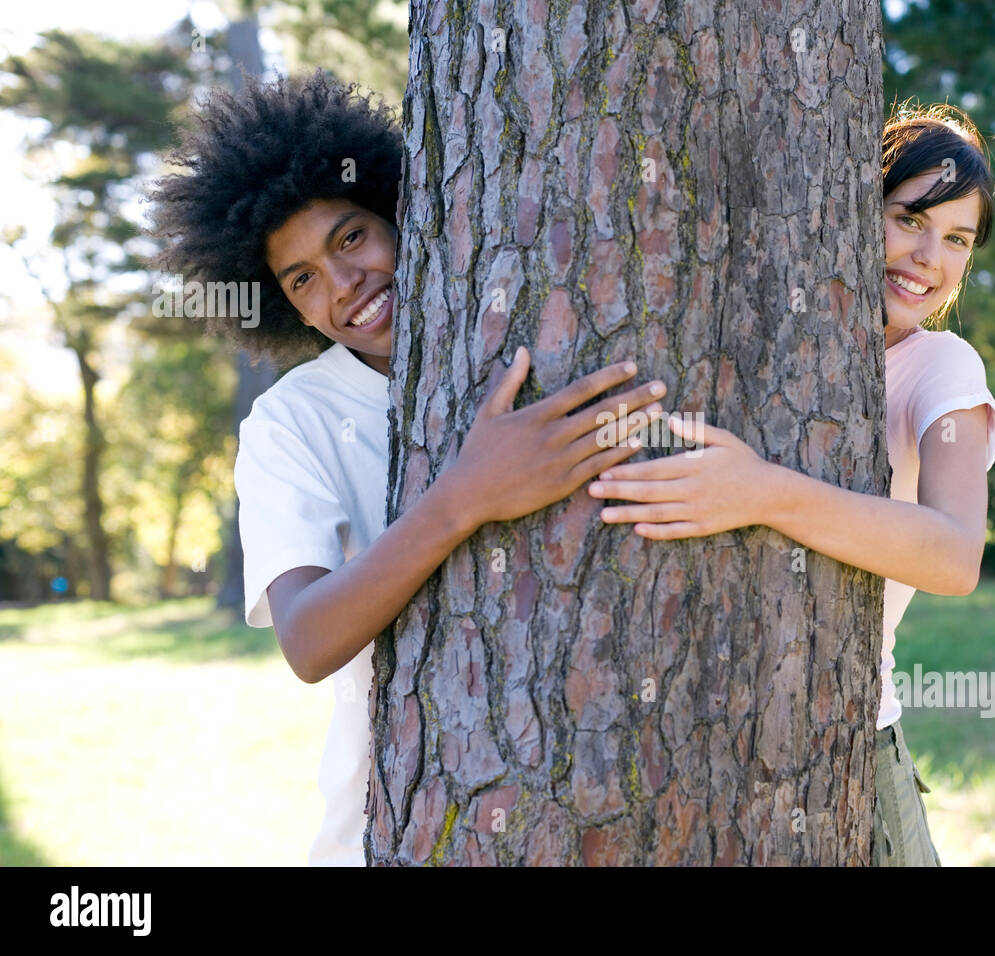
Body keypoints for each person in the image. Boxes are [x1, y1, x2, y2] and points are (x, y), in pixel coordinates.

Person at [147, 71, 664, 865]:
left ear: (398, 209)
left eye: (351, 237)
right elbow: (308, 640)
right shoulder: (291, 422)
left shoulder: (514, 325)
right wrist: (462, 499)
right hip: (394, 826)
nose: (344, 285)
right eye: (302, 280)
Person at [586, 102, 995, 865]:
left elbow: (954, 554)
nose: (929, 258)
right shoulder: (769, 325)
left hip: (849, 748)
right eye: (910, 219)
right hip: (683, 743)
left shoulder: (941, 369)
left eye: (957, 240)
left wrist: (761, 491)